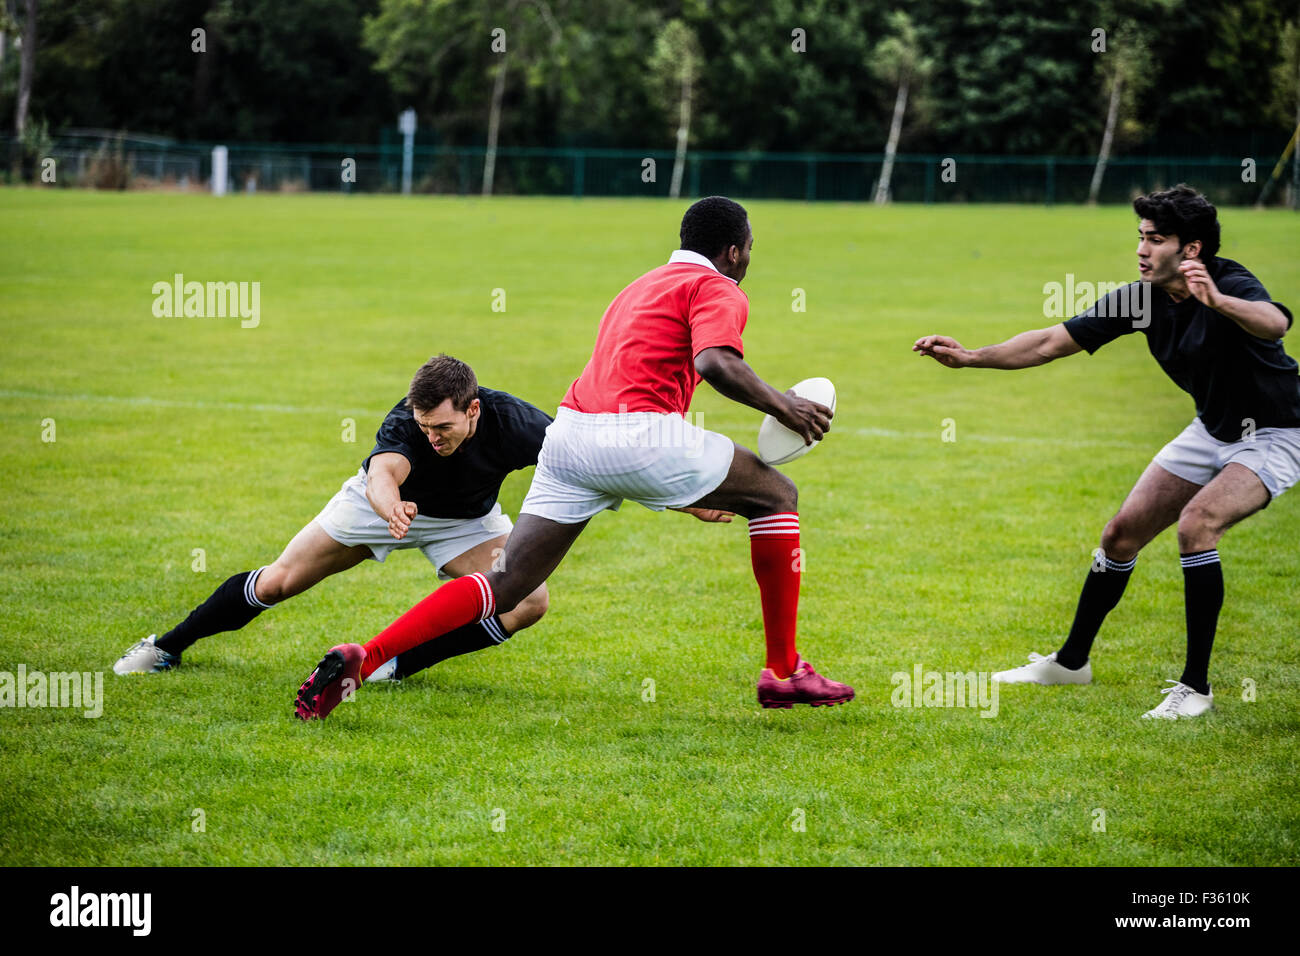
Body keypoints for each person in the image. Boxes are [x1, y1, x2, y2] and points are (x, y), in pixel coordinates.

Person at [293, 196, 855, 719]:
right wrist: (787, 407)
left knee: (506, 584)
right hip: (640, 433)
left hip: (570, 437)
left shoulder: (639, 286)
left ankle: (365, 657)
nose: (748, 260)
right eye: (749, 250)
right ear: (734, 250)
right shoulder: (719, 288)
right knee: (777, 495)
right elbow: (715, 363)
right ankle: (783, 671)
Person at [913, 184, 1298, 719]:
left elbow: (1275, 322)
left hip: (1277, 431)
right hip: (1212, 428)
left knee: (1197, 525)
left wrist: (1220, 302)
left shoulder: (1228, 281)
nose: (1142, 249)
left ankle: (1196, 688)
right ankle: (1070, 663)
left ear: (1192, 250)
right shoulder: (1142, 297)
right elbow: (1052, 341)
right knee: (1121, 535)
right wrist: (972, 356)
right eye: (1140, 236)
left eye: (1156, 239)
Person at [114, 355, 552, 683]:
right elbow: (383, 474)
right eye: (424, 427)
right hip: (378, 509)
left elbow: (569, 463)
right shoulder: (406, 421)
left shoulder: (516, 422)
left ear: (472, 410)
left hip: (465, 522)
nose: (432, 437)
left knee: (530, 602)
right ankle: (167, 646)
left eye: (442, 428)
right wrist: (392, 508)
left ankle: (395, 667)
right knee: (278, 581)